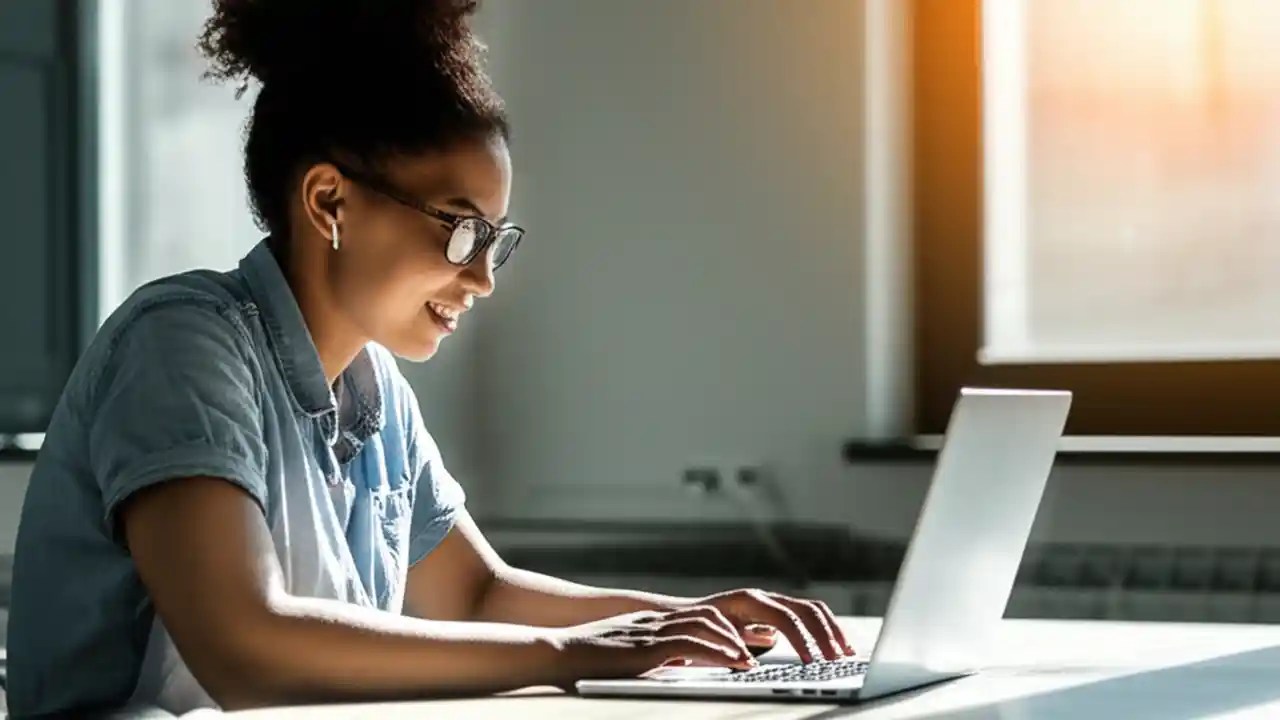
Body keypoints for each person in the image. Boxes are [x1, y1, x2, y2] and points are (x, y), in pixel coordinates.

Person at [5, 0, 854, 715]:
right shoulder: (182, 344)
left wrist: (693, 623)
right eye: (459, 229)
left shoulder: (375, 394)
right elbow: (243, 647)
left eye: (497, 240)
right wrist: (560, 654)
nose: (482, 277)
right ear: (329, 201)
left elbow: (477, 594)